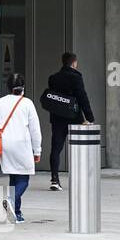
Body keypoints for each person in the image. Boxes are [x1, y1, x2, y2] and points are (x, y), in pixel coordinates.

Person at [0, 74, 41, 223]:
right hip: (22, 144)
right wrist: (37, 150)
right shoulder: (27, 103)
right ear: (23, 87)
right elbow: (35, 130)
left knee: (14, 177)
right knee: (24, 179)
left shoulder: (0, 102)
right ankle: (11, 200)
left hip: (4, 144)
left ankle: (16, 212)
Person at [45, 52, 93, 191]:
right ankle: (80, 179)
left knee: (56, 148)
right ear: (74, 63)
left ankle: (54, 179)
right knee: (79, 148)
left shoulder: (53, 78)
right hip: (74, 118)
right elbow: (82, 97)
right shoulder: (76, 77)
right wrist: (89, 117)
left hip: (57, 118)